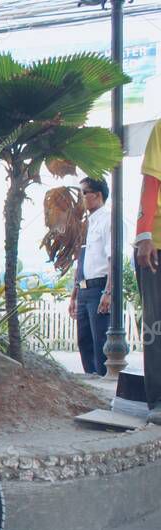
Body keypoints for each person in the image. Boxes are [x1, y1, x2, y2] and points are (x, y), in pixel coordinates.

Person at [68, 177, 111, 377]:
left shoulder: (109, 220)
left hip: (100, 288)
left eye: (84, 192)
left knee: (100, 342)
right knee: (84, 341)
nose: (81, 197)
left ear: (98, 195)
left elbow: (114, 259)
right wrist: (74, 295)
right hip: (84, 290)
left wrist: (108, 293)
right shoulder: (88, 223)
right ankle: (92, 383)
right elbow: (82, 260)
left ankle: (104, 385)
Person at [135, 119, 161, 423]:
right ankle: (158, 399)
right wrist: (144, 234)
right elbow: (151, 183)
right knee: (157, 326)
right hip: (156, 244)